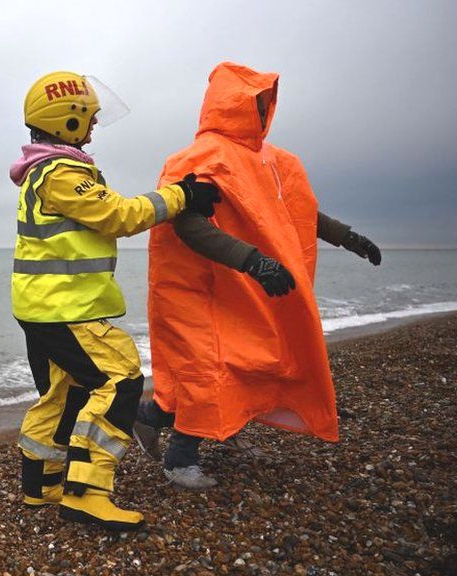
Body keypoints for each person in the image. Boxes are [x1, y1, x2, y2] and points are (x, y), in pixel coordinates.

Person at [133, 62, 380, 489]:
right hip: (195, 287)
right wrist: (254, 261)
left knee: (252, 361)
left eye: (267, 104)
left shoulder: (272, 161)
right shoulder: (196, 158)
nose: (264, 112)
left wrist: (347, 237)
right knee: (205, 368)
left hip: (244, 286)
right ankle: (179, 459)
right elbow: (188, 225)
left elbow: (296, 208)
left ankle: (153, 419)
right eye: (255, 103)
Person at [10, 71, 220, 531]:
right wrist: (181, 195)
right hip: (67, 309)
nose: (94, 124)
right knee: (119, 381)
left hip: (43, 308)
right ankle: (86, 494)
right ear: (66, 120)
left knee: (60, 394)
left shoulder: (42, 171)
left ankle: (39, 485)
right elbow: (117, 215)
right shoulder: (62, 171)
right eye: (88, 117)